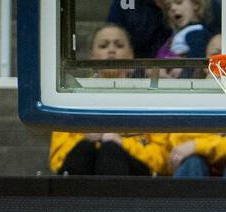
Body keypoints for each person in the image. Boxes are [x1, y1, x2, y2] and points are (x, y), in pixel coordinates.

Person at [49, 26, 167, 177]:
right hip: (82, 166)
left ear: (131, 54)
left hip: (134, 173)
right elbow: (57, 159)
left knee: (111, 151)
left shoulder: (150, 97)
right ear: (92, 55)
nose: (111, 50)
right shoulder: (71, 97)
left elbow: (160, 159)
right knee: (85, 149)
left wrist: (119, 142)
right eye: (103, 46)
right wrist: (88, 138)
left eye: (119, 45)